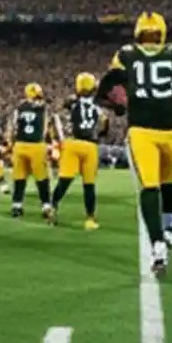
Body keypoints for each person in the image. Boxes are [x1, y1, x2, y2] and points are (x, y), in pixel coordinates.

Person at [96, 12, 172, 276]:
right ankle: (163, 237)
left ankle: (161, 239)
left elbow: (106, 88)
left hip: (144, 129)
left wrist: (117, 106)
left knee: (156, 186)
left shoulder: (126, 54)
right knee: (163, 185)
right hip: (166, 130)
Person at [50, 72, 105, 230]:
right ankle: (90, 218)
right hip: (90, 145)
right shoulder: (97, 104)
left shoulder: (72, 101)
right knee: (89, 185)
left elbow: (60, 110)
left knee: (65, 181)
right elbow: (104, 124)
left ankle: (52, 207)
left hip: (72, 143)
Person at [7, 83, 57, 220]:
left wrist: (10, 143)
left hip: (20, 144)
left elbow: (12, 126)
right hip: (36, 145)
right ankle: (46, 205)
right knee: (41, 178)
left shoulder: (19, 107)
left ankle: (17, 206)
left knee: (19, 178)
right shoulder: (44, 108)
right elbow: (47, 126)